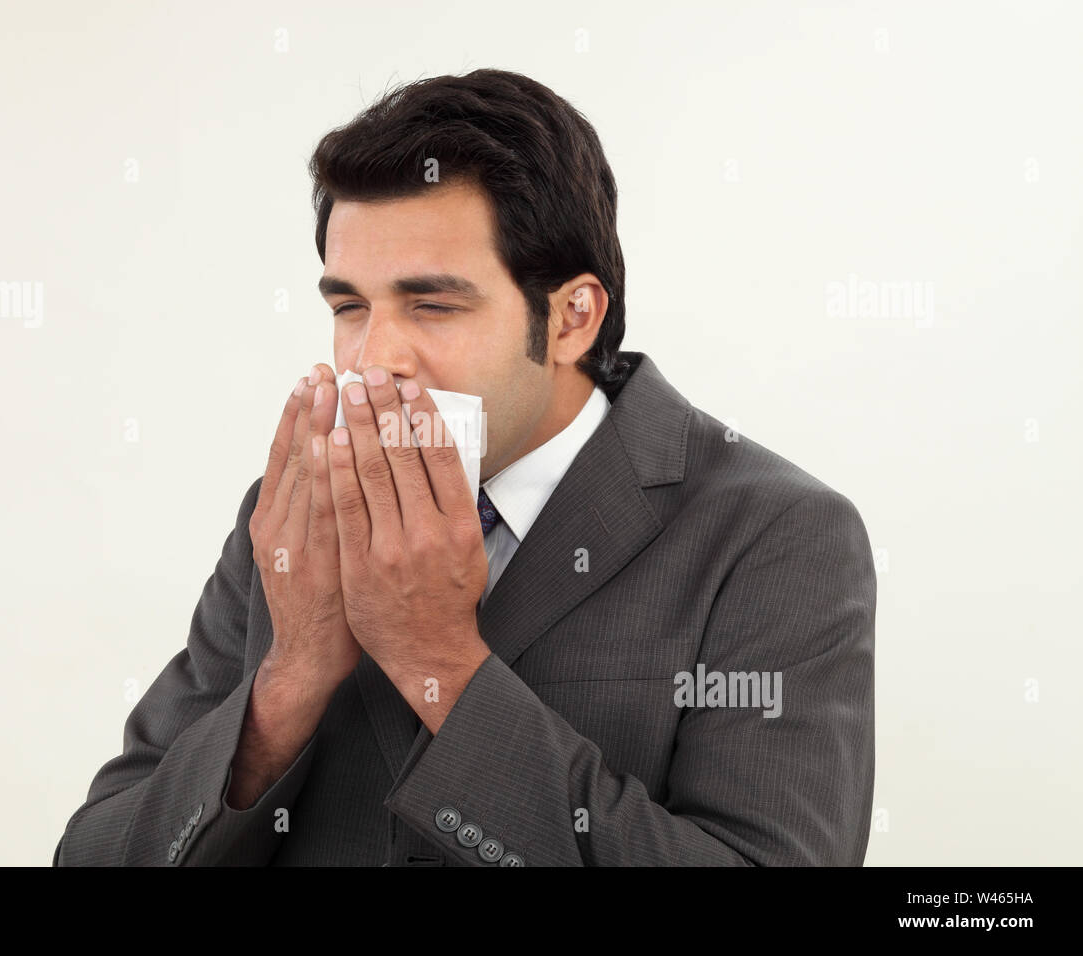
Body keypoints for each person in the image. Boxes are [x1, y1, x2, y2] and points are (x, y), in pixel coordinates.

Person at [53, 68, 875, 867]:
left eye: (433, 305)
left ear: (571, 319)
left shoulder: (774, 536)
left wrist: (436, 659)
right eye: (349, 307)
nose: (374, 359)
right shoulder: (293, 513)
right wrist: (291, 677)